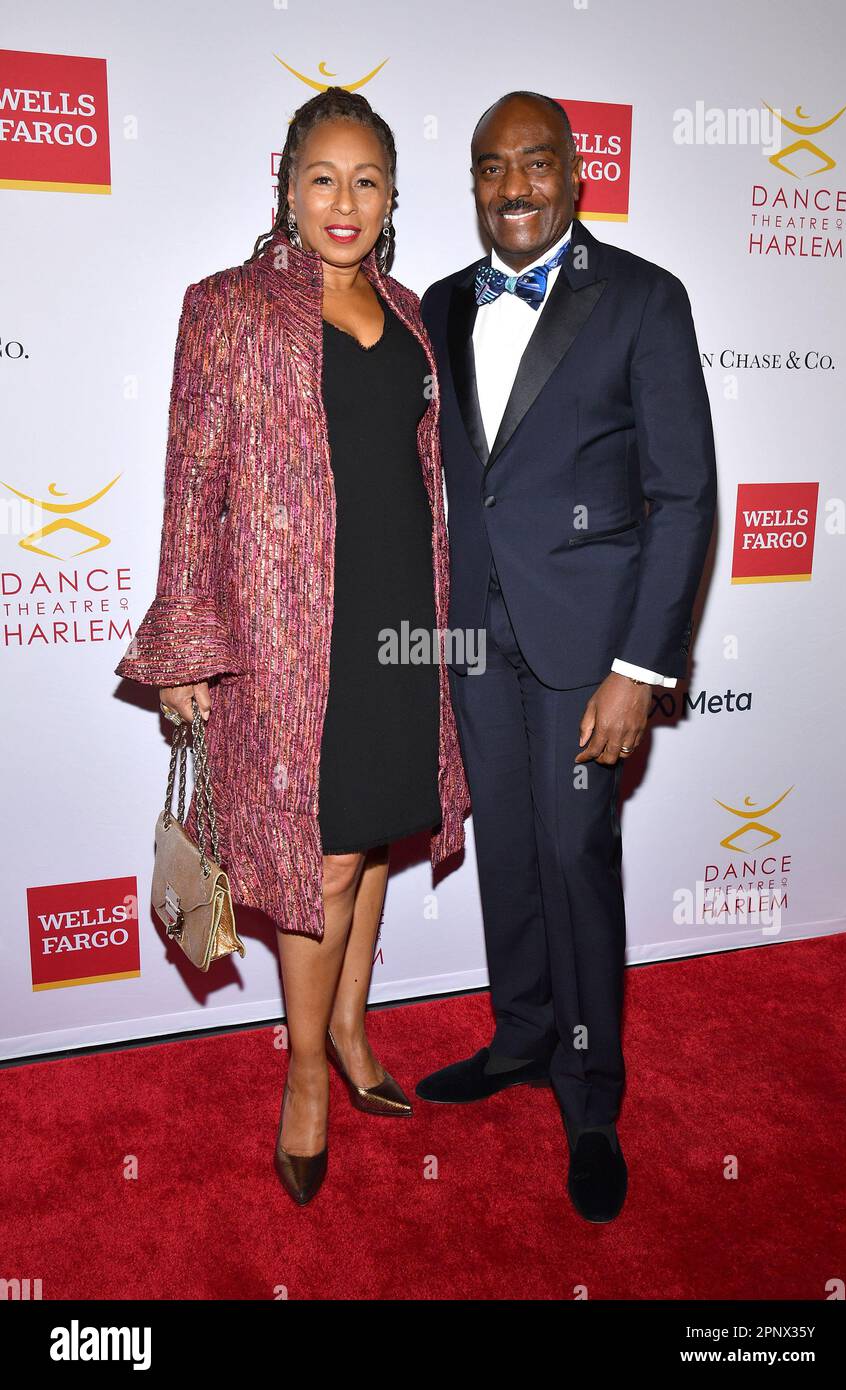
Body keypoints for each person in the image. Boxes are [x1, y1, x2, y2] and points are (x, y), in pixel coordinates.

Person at [115, 88, 469, 1207]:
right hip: (284, 635)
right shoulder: (223, 310)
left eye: (367, 181)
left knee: (372, 842)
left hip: (402, 620)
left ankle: (356, 1031)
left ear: (394, 197)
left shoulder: (411, 315)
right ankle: (307, 1073)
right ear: (287, 184)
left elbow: (420, 476)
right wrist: (184, 646)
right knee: (318, 858)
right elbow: (193, 488)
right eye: (323, 177)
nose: (344, 202)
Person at [417, 91, 717, 1222]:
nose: (513, 188)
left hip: (590, 653)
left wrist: (640, 672)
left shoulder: (641, 297)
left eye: (534, 164)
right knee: (507, 854)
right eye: (492, 167)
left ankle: (590, 1093)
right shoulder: (442, 305)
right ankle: (523, 1034)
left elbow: (685, 495)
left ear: (576, 173)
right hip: (474, 642)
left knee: (575, 852)